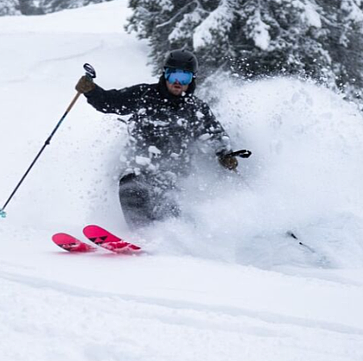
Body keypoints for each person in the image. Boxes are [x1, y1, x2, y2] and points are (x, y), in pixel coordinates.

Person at [75, 50, 240, 229]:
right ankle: (141, 233)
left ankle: (171, 240)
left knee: (169, 205)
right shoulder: (144, 94)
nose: (178, 82)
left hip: (175, 173)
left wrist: (225, 154)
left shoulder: (196, 108)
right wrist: (92, 90)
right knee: (130, 185)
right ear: (165, 74)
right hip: (140, 164)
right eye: (173, 75)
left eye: (184, 78)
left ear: (192, 79)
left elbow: (214, 133)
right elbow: (110, 102)